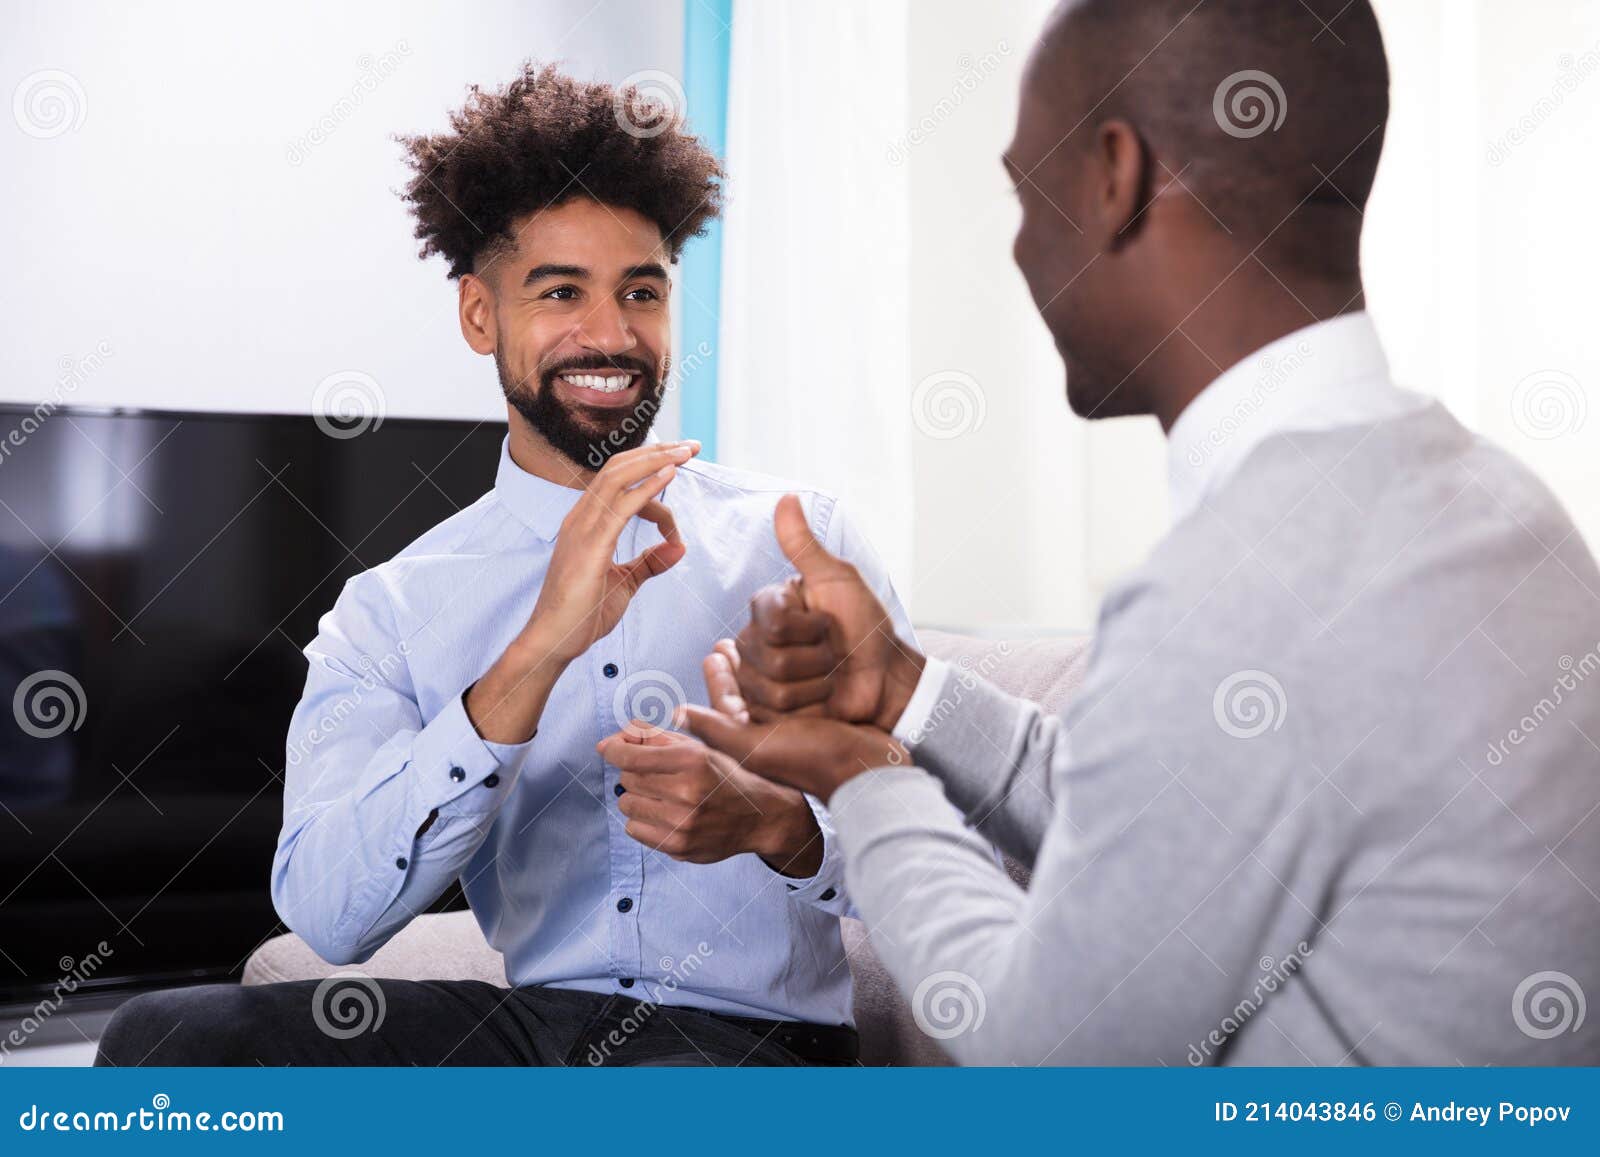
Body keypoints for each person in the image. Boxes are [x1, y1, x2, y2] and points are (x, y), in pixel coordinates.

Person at [680, 0, 1600, 1065]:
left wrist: (861, 775)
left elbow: (1047, 1053)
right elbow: (1171, 826)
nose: (1022, 252)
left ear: (1113, 179)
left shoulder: (1238, 585)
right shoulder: (1507, 513)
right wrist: (900, 686)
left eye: (1027, 196)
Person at [96, 63, 910, 1067]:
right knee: (164, 1040)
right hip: (525, 1034)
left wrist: (780, 826)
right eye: (560, 290)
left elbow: (937, 863)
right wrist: (536, 651)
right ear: (481, 315)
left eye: (640, 292)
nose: (610, 334)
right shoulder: (391, 608)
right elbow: (325, 912)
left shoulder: (799, 538)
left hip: (747, 1045)